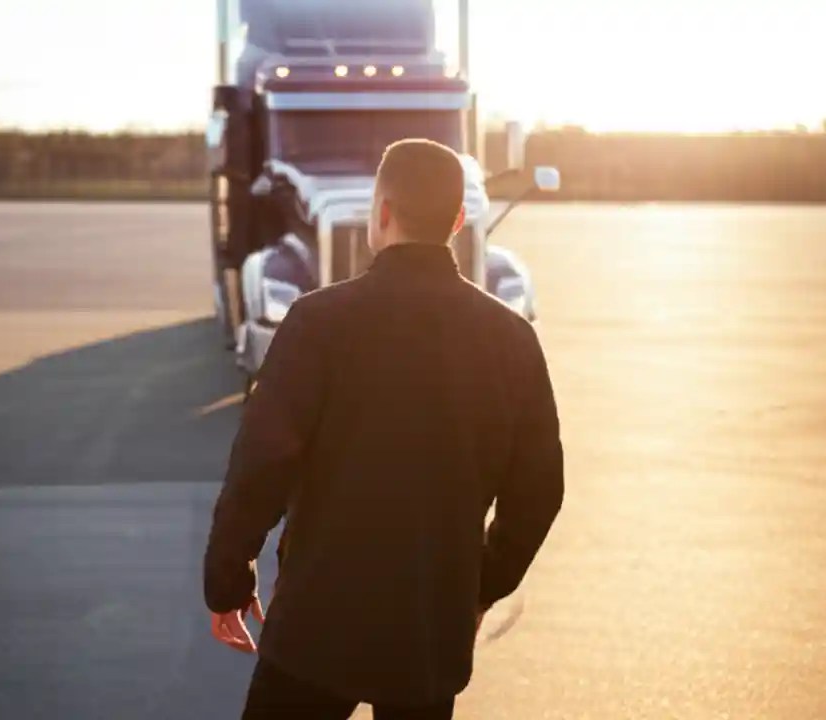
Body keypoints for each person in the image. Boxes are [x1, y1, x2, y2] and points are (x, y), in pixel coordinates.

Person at [203, 139, 564, 719]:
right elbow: (539, 491)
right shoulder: (511, 339)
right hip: (430, 628)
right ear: (457, 221)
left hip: (318, 625)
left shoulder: (317, 322)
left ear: (382, 216)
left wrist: (228, 579)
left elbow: (261, 465)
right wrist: (479, 586)